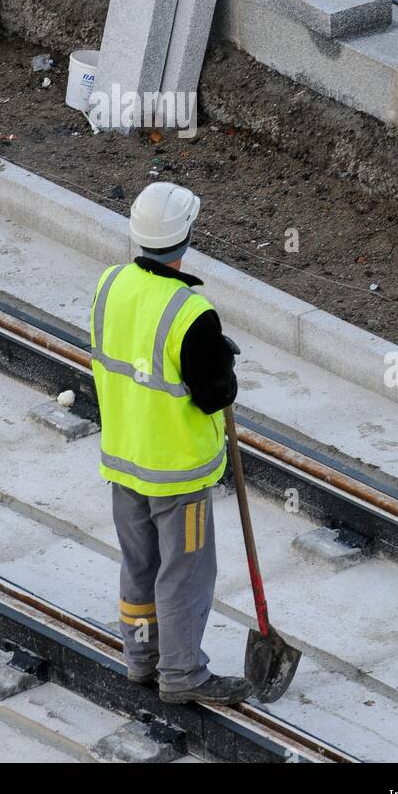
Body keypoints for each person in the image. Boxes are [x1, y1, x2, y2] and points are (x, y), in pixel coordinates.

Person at [90, 181, 250, 707]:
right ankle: (181, 674)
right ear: (186, 239)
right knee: (186, 573)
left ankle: (141, 660)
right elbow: (214, 397)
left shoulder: (109, 285)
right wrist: (222, 364)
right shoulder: (191, 313)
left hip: (124, 460)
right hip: (178, 475)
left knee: (139, 567)